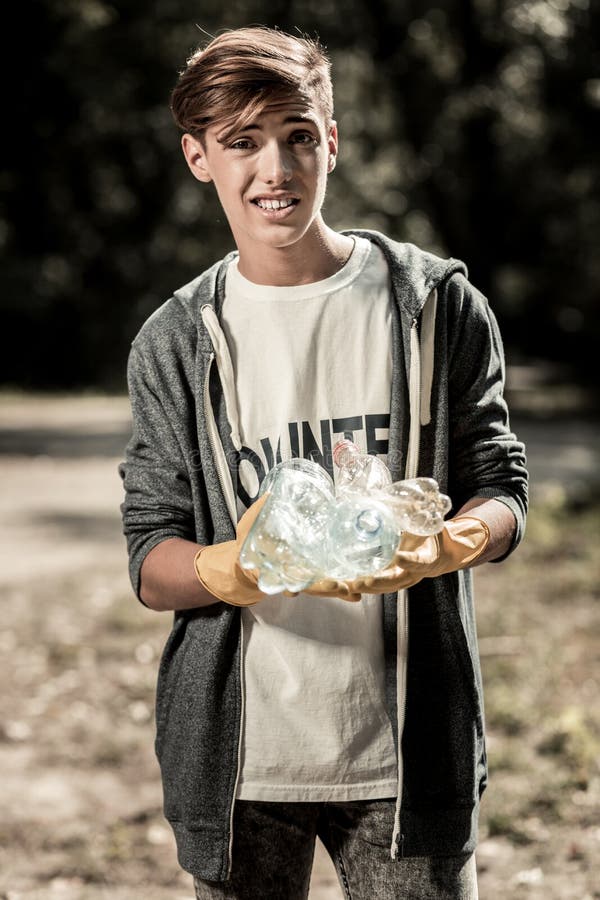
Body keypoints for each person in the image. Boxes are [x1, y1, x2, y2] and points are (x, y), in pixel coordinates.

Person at [119, 25, 528, 900]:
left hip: (408, 759)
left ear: (331, 142)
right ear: (198, 158)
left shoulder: (436, 306)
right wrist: (235, 566)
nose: (276, 169)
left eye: (297, 135)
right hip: (242, 767)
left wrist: (451, 544)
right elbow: (151, 558)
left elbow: (502, 486)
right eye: (242, 141)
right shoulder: (176, 341)